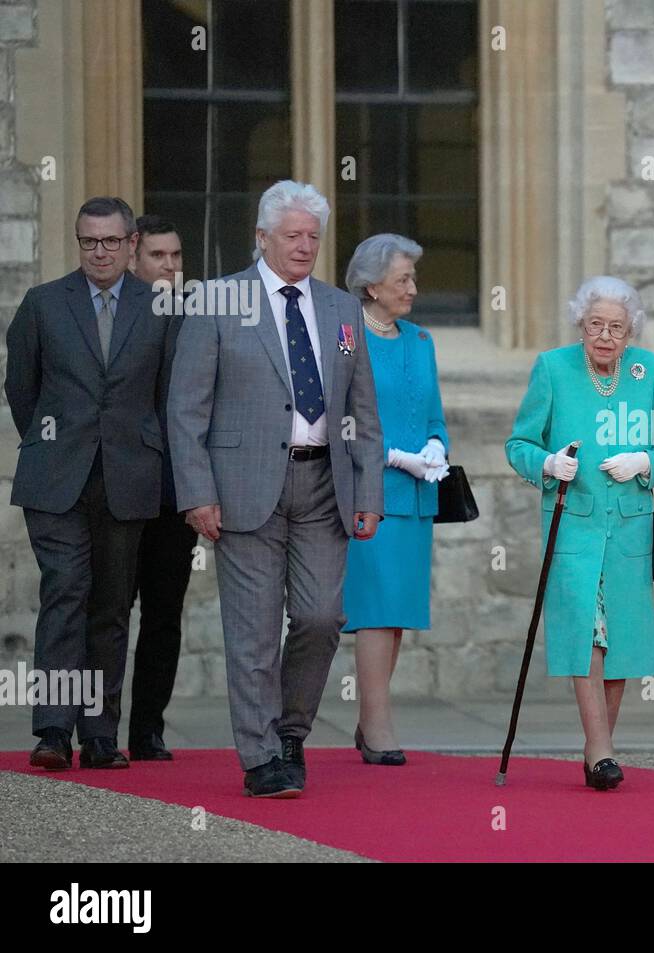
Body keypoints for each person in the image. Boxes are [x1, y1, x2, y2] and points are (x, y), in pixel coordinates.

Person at [168, 180, 384, 798]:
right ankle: (262, 758)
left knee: (320, 617)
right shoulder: (216, 301)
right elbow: (186, 408)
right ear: (262, 238)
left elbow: (363, 409)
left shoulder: (342, 309)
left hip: (325, 484)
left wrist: (370, 491)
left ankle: (291, 733)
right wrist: (196, 491)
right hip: (243, 488)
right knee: (254, 632)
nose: (304, 246)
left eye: (313, 237)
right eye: (292, 236)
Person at [4, 196, 168, 770]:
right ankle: (53, 731)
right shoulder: (44, 304)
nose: (98, 251)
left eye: (109, 241)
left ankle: (100, 735)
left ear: (130, 245)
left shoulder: (161, 308)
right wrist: (55, 443)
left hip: (128, 477)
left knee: (111, 606)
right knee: (64, 592)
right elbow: (21, 387)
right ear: (79, 244)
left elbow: (168, 397)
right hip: (56, 479)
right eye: (87, 241)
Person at [505, 276, 654, 791]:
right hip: (574, 523)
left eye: (617, 329)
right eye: (596, 325)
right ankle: (602, 749)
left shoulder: (649, 372)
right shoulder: (554, 369)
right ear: (580, 325)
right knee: (587, 628)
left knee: (621, 637)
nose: (606, 336)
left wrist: (644, 460)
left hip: (628, 527)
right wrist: (548, 462)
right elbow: (518, 444)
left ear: (631, 333)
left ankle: (594, 750)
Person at [340, 234, 449, 766]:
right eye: (402, 279)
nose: (413, 288)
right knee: (374, 611)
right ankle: (378, 726)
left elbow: (434, 416)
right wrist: (393, 456)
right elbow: (339, 419)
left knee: (398, 613)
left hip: (416, 497)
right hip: (369, 491)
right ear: (370, 284)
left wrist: (434, 446)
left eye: (412, 277)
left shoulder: (421, 340)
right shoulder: (346, 337)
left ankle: (369, 722)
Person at [126, 214, 194, 761]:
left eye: (176, 256)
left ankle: (148, 729)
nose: (170, 266)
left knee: (163, 616)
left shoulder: (198, 318)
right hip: (117, 492)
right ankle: (92, 728)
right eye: (158, 256)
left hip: (175, 494)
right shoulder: (113, 316)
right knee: (104, 611)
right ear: (132, 258)